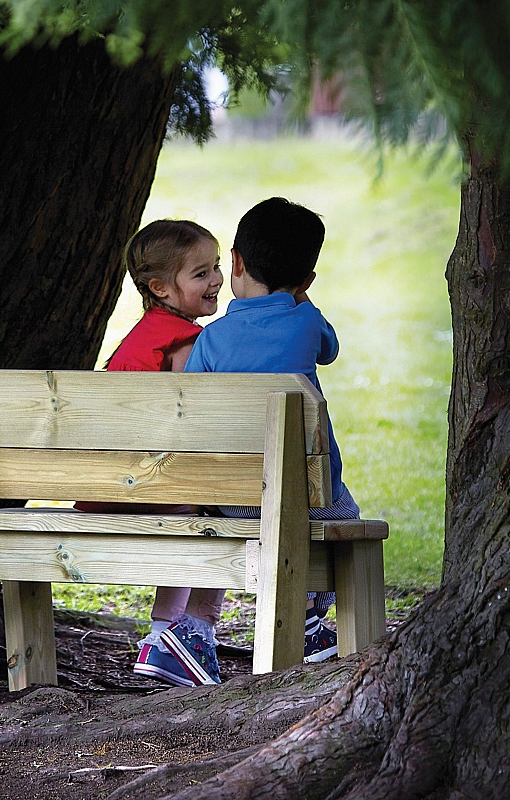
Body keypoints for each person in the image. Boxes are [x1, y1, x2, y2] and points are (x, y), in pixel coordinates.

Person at [172, 197, 359, 670]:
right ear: (307, 282)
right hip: (306, 491)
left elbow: (188, 403)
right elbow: (330, 350)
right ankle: (310, 623)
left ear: (235, 261)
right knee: (346, 516)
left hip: (231, 492)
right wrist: (302, 298)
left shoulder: (212, 337)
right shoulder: (306, 320)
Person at [76, 219, 225, 688]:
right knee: (216, 509)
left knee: (197, 503)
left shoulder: (143, 335)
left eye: (216, 267)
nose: (216, 280)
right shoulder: (183, 341)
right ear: (160, 287)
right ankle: (188, 634)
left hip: (104, 485)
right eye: (200, 273)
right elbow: (192, 419)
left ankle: (164, 640)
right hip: (144, 486)